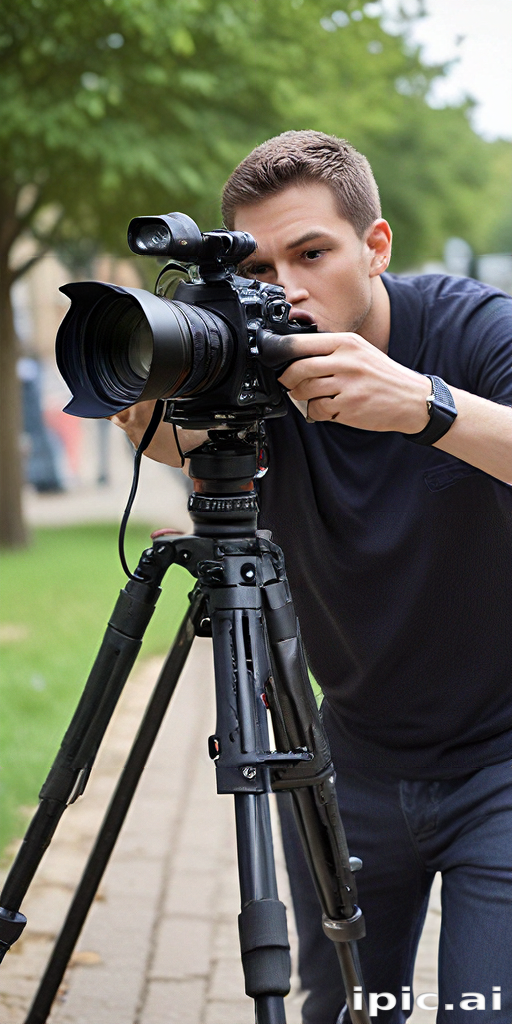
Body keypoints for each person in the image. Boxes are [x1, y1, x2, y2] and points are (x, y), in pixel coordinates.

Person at [112, 131, 512, 1023]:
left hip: (501, 760)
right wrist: (152, 422)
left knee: (484, 1008)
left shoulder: (473, 328)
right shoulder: (255, 363)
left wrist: (430, 408)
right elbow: (172, 444)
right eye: (260, 264)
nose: (286, 287)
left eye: (313, 252)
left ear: (376, 248)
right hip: (347, 760)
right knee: (349, 1009)